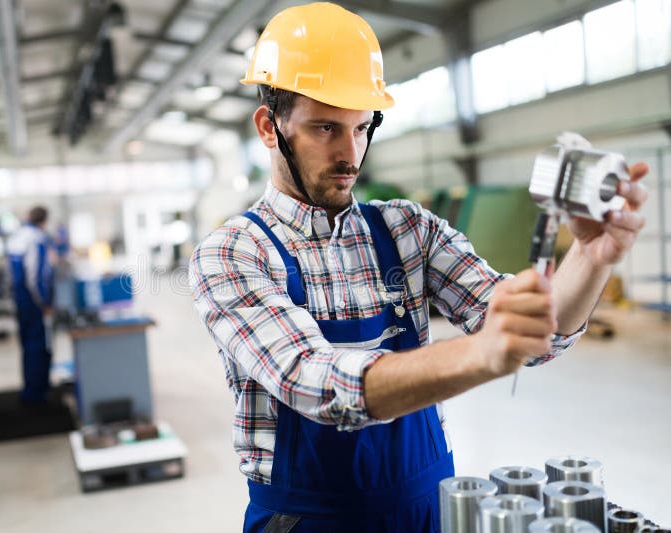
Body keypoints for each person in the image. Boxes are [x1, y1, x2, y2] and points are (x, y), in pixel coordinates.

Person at [188, 3, 649, 532]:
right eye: (325, 128)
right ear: (270, 126)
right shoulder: (233, 252)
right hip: (309, 521)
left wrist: (590, 257)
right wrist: (479, 353)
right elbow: (315, 383)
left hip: (426, 508)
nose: (350, 153)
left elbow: (537, 333)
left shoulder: (407, 229)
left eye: (362, 128)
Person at [7, 206, 55, 404]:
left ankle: (29, 389)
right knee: (38, 347)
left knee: (27, 347)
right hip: (33, 304)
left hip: (20, 301)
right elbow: (36, 276)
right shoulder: (37, 239)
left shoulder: (16, 237)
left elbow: (10, 276)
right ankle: (37, 393)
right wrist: (44, 302)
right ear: (43, 221)